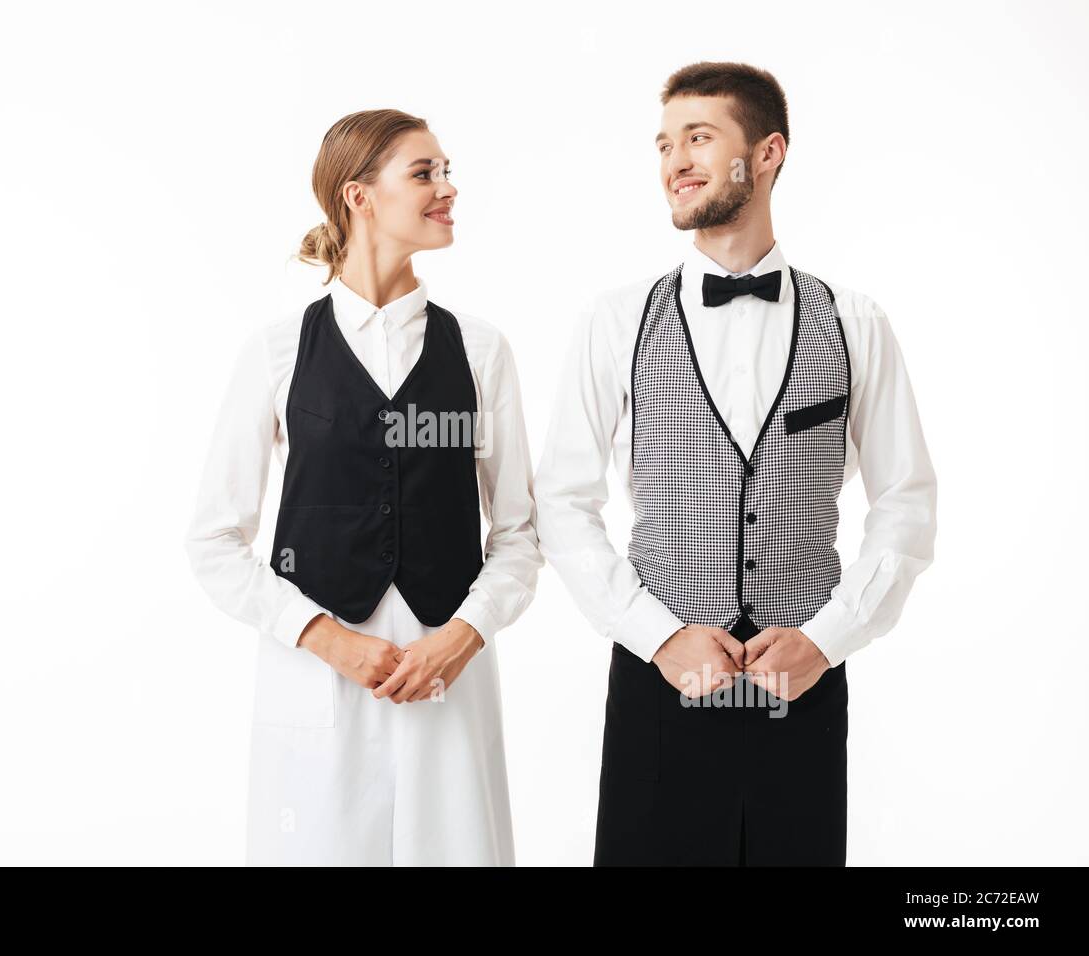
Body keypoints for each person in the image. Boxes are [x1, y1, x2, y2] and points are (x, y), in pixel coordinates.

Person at [534, 62, 938, 865]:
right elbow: (561, 501)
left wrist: (828, 637)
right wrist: (657, 635)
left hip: (804, 684)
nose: (674, 162)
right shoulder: (614, 321)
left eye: (699, 137)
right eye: (663, 144)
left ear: (767, 154)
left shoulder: (854, 322)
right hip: (659, 684)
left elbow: (907, 502)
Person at [184, 108, 541, 866]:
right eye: (425, 173)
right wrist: (325, 638)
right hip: (315, 681)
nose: (448, 188)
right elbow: (214, 540)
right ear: (359, 197)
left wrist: (462, 637)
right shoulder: (278, 351)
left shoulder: (479, 349)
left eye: (448, 172)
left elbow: (518, 535)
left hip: (446, 675)